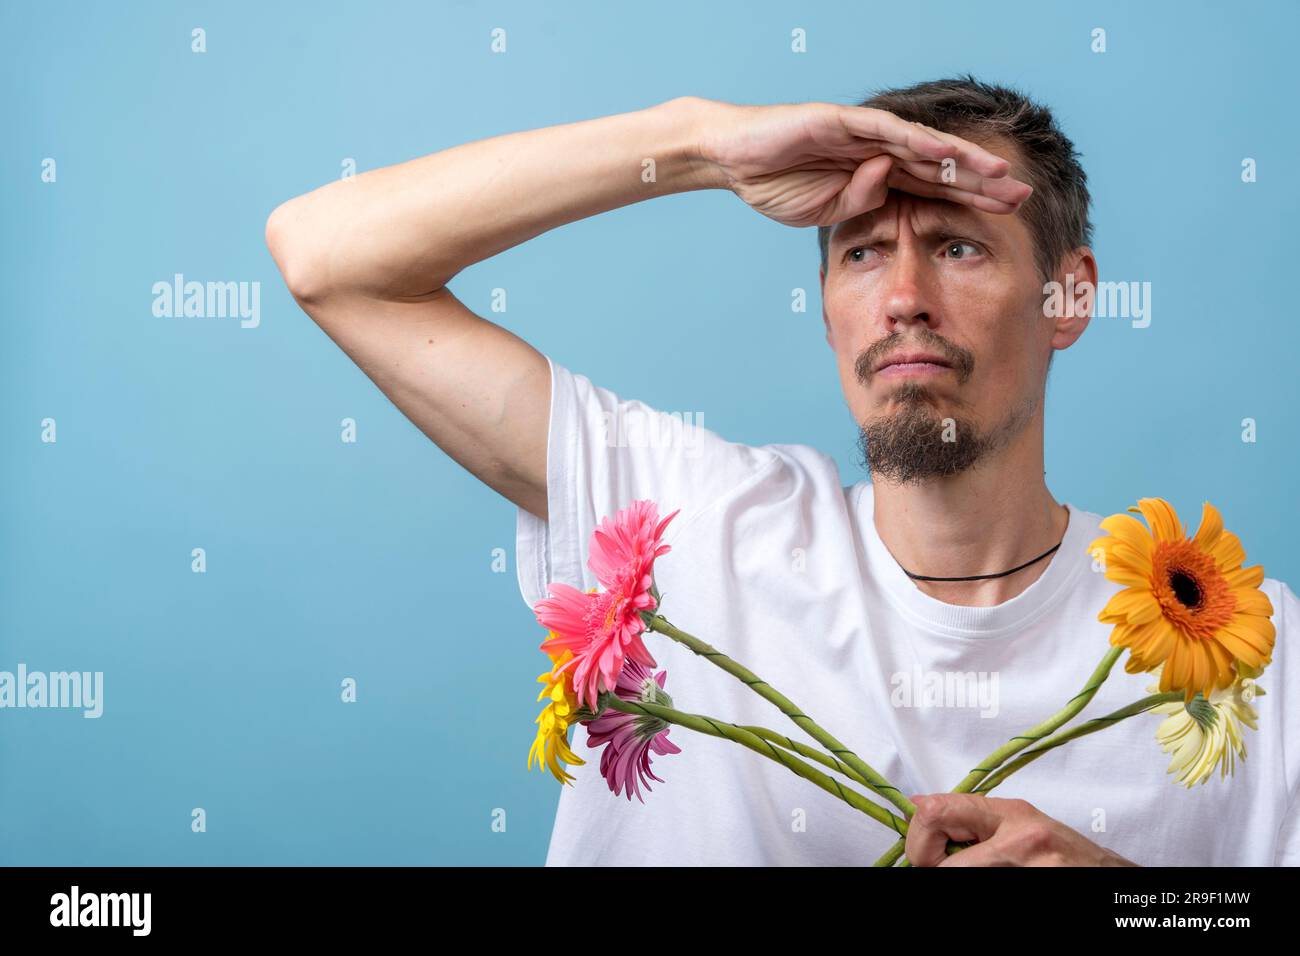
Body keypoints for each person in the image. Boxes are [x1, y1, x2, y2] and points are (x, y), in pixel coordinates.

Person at [265, 76, 1299, 866]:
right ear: (824, 305)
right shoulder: (686, 525)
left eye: (957, 247)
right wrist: (698, 142)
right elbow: (326, 256)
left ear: (1068, 299)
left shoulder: (1251, 648)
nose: (900, 295)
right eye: (858, 252)